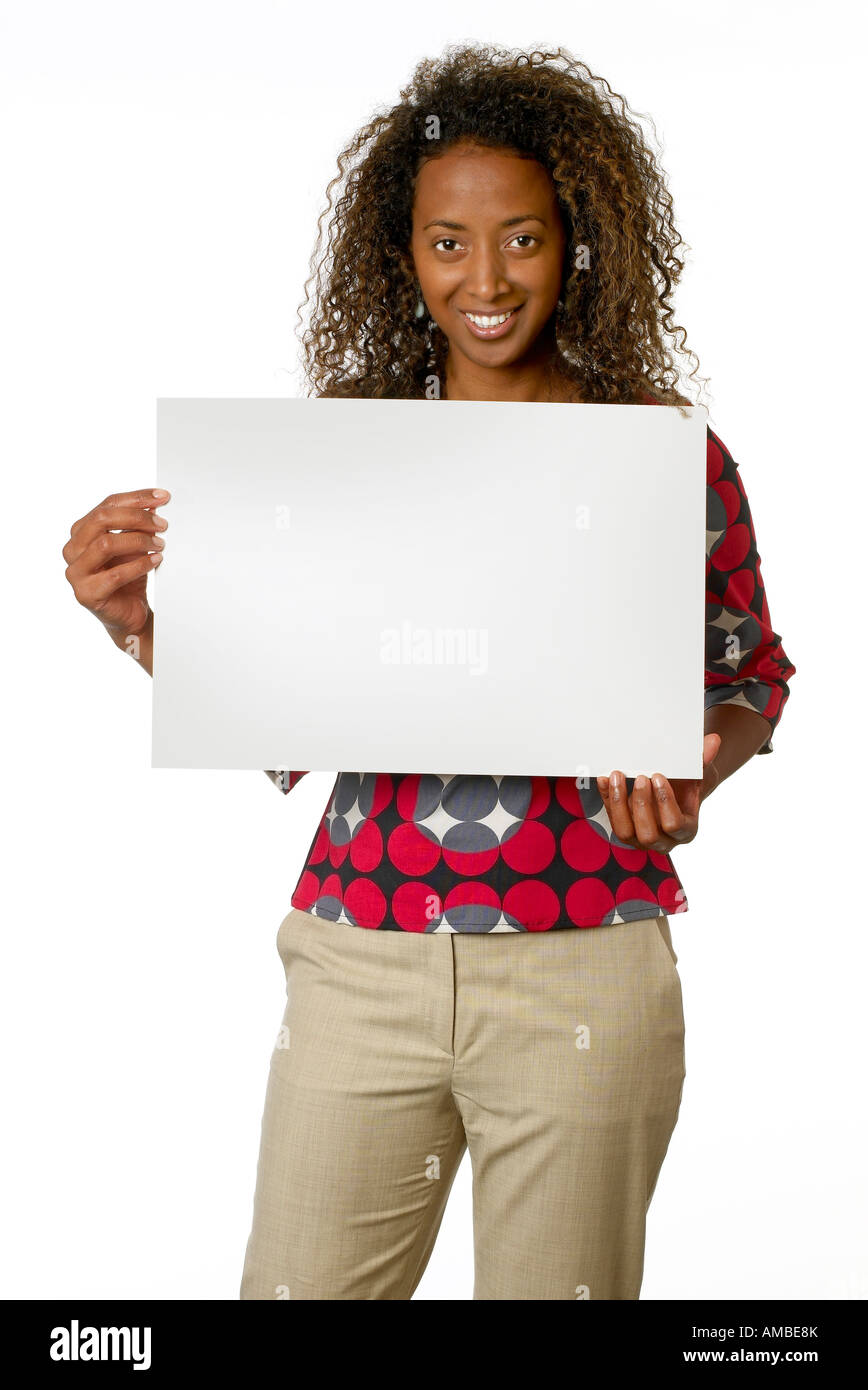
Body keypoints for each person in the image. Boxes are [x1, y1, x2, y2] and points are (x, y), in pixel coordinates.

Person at [62, 44, 795, 1300]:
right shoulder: (347, 458)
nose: (487, 278)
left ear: (576, 243)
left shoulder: (659, 453)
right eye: (447, 242)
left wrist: (693, 766)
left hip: (586, 952)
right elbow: (281, 699)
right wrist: (135, 623)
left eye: (521, 237)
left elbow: (750, 676)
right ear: (400, 255)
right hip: (361, 953)